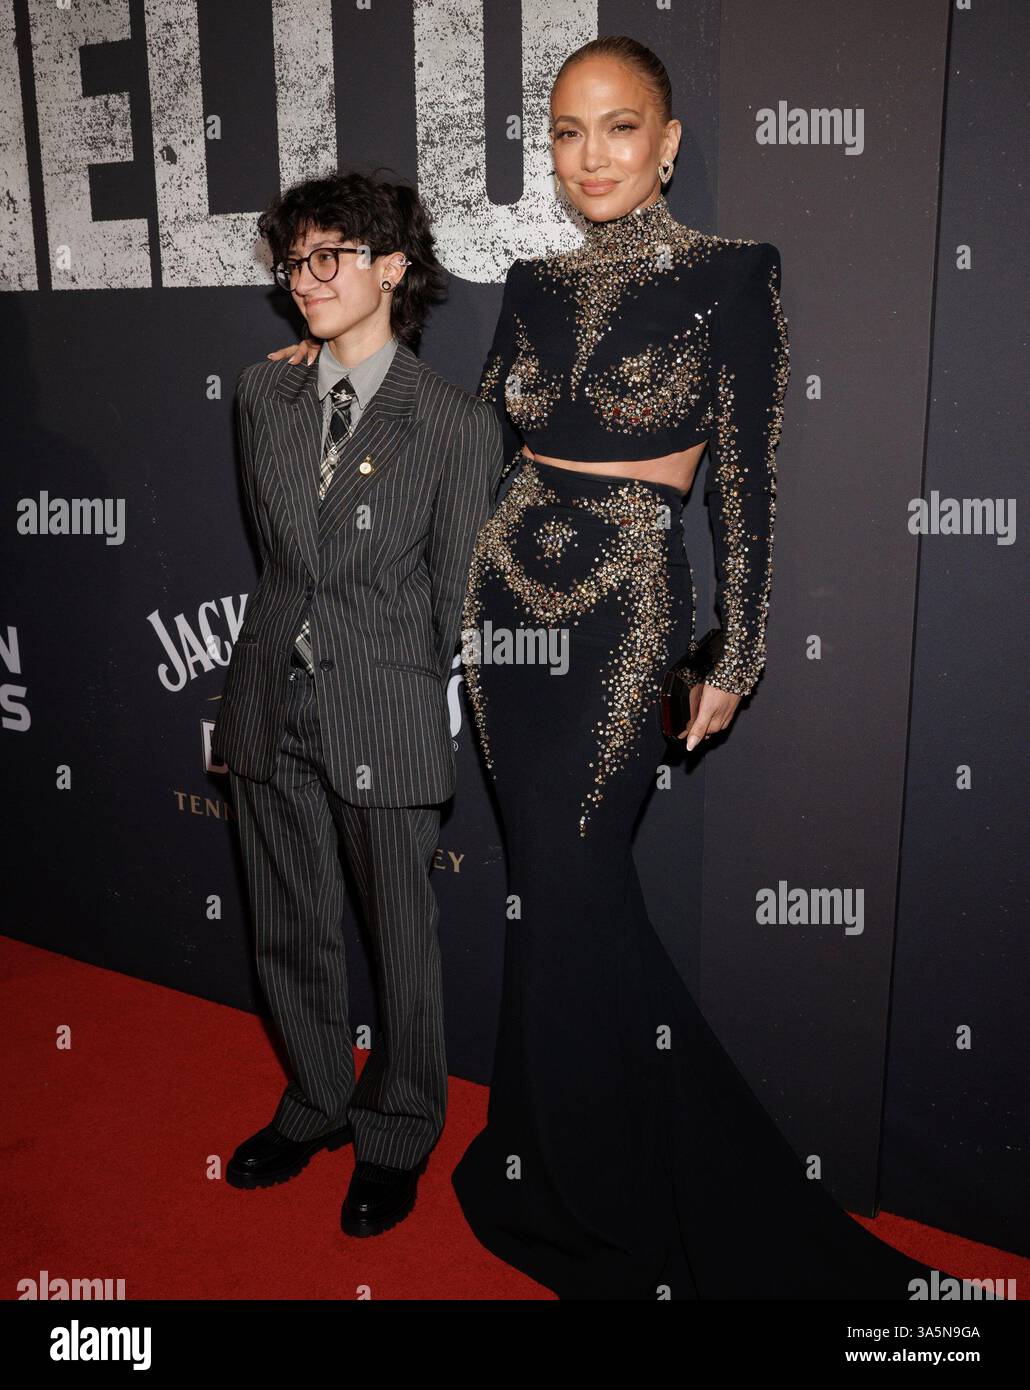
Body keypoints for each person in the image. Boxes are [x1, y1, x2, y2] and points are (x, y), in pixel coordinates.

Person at [448, 36, 967, 1299]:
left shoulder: (732, 276)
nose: (590, 158)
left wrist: (736, 645)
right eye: (568, 133)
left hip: (624, 612)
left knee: (573, 890)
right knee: (556, 902)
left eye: (618, 128)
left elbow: (743, 475)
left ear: (667, 141)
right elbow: (475, 441)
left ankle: (619, 1190)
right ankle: (546, 1153)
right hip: (505, 604)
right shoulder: (526, 279)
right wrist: (340, 383)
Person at [211, 170, 503, 1237]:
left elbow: (454, 595)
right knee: (286, 928)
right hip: (267, 703)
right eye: (295, 260)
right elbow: (281, 562)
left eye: (331, 255)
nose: (306, 279)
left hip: (385, 708)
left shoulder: (458, 424)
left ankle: (396, 1130)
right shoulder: (262, 393)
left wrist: (422, 711)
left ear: (394, 269)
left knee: (403, 944)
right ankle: (315, 1101)